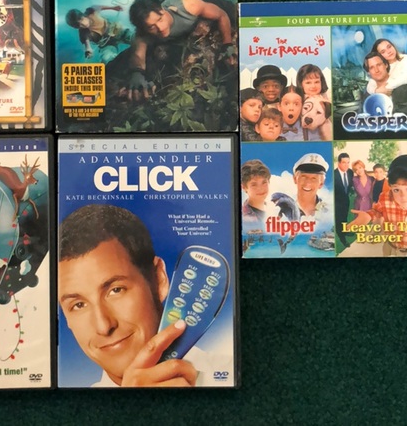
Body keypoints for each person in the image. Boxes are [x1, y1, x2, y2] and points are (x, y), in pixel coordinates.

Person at [58, 204, 232, 387]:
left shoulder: (230, 375)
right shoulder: (75, 404)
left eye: (116, 290)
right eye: (78, 305)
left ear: (159, 279)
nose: (104, 326)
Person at [125, 0, 235, 100]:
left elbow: (221, 15)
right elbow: (138, 54)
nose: (160, 28)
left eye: (160, 19)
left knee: (233, 12)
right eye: (151, 27)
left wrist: (227, 45)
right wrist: (137, 73)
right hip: (166, 10)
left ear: (163, 10)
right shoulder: (142, 33)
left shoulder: (190, 5)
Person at [347, 155, 407, 256]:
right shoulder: (386, 197)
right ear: (391, 188)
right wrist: (368, 215)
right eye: (396, 190)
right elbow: (377, 210)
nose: (403, 196)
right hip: (391, 248)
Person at [65, 5, 132, 62]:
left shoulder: (90, 11)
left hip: (117, 31)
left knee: (133, 37)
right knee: (106, 59)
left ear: (83, 15)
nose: (84, 24)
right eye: (80, 25)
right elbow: (87, 44)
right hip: (107, 44)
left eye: (82, 20)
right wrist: (88, 50)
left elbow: (100, 7)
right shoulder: (83, 33)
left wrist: (113, 8)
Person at [292, 153, 329, 218]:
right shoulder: (281, 207)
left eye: (314, 178)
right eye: (304, 177)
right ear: (295, 179)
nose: (308, 183)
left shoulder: (329, 212)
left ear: (321, 184)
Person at [241, 159, 271, 226]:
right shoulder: (245, 219)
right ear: (244, 187)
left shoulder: (273, 208)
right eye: (254, 185)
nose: (260, 188)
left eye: (264, 182)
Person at [333, 153, 354, 232]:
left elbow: (350, 185)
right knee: (339, 219)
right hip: (337, 202)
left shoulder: (350, 172)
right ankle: (341, 235)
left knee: (345, 217)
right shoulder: (334, 174)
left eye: (348, 162)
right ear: (339, 163)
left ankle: (344, 231)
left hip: (346, 201)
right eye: (344, 162)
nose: (346, 165)